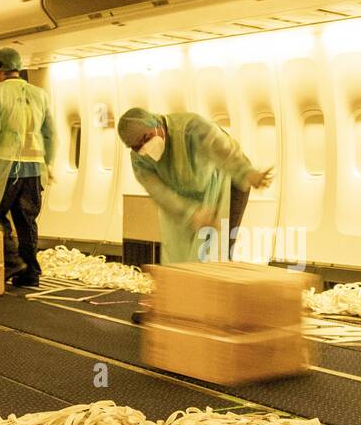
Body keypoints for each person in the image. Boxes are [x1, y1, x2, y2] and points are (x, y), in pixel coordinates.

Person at [116, 108, 274, 322]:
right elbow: (160, 193)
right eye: (136, 146)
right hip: (184, 197)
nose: (144, 147)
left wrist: (248, 173)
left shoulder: (190, 128)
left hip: (226, 177)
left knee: (218, 247)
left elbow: (222, 152)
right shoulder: (140, 160)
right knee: (175, 249)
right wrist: (191, 214)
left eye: (146, 139)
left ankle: (220, 311)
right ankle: (171, 305)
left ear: (156, 124)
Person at [0, 47, 56, 289]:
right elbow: (49, 133)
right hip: (34, 167)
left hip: (6, 166)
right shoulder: (40, 94)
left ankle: (12, 263)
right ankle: (31, 272)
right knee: (27, 220)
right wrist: (48, 162)